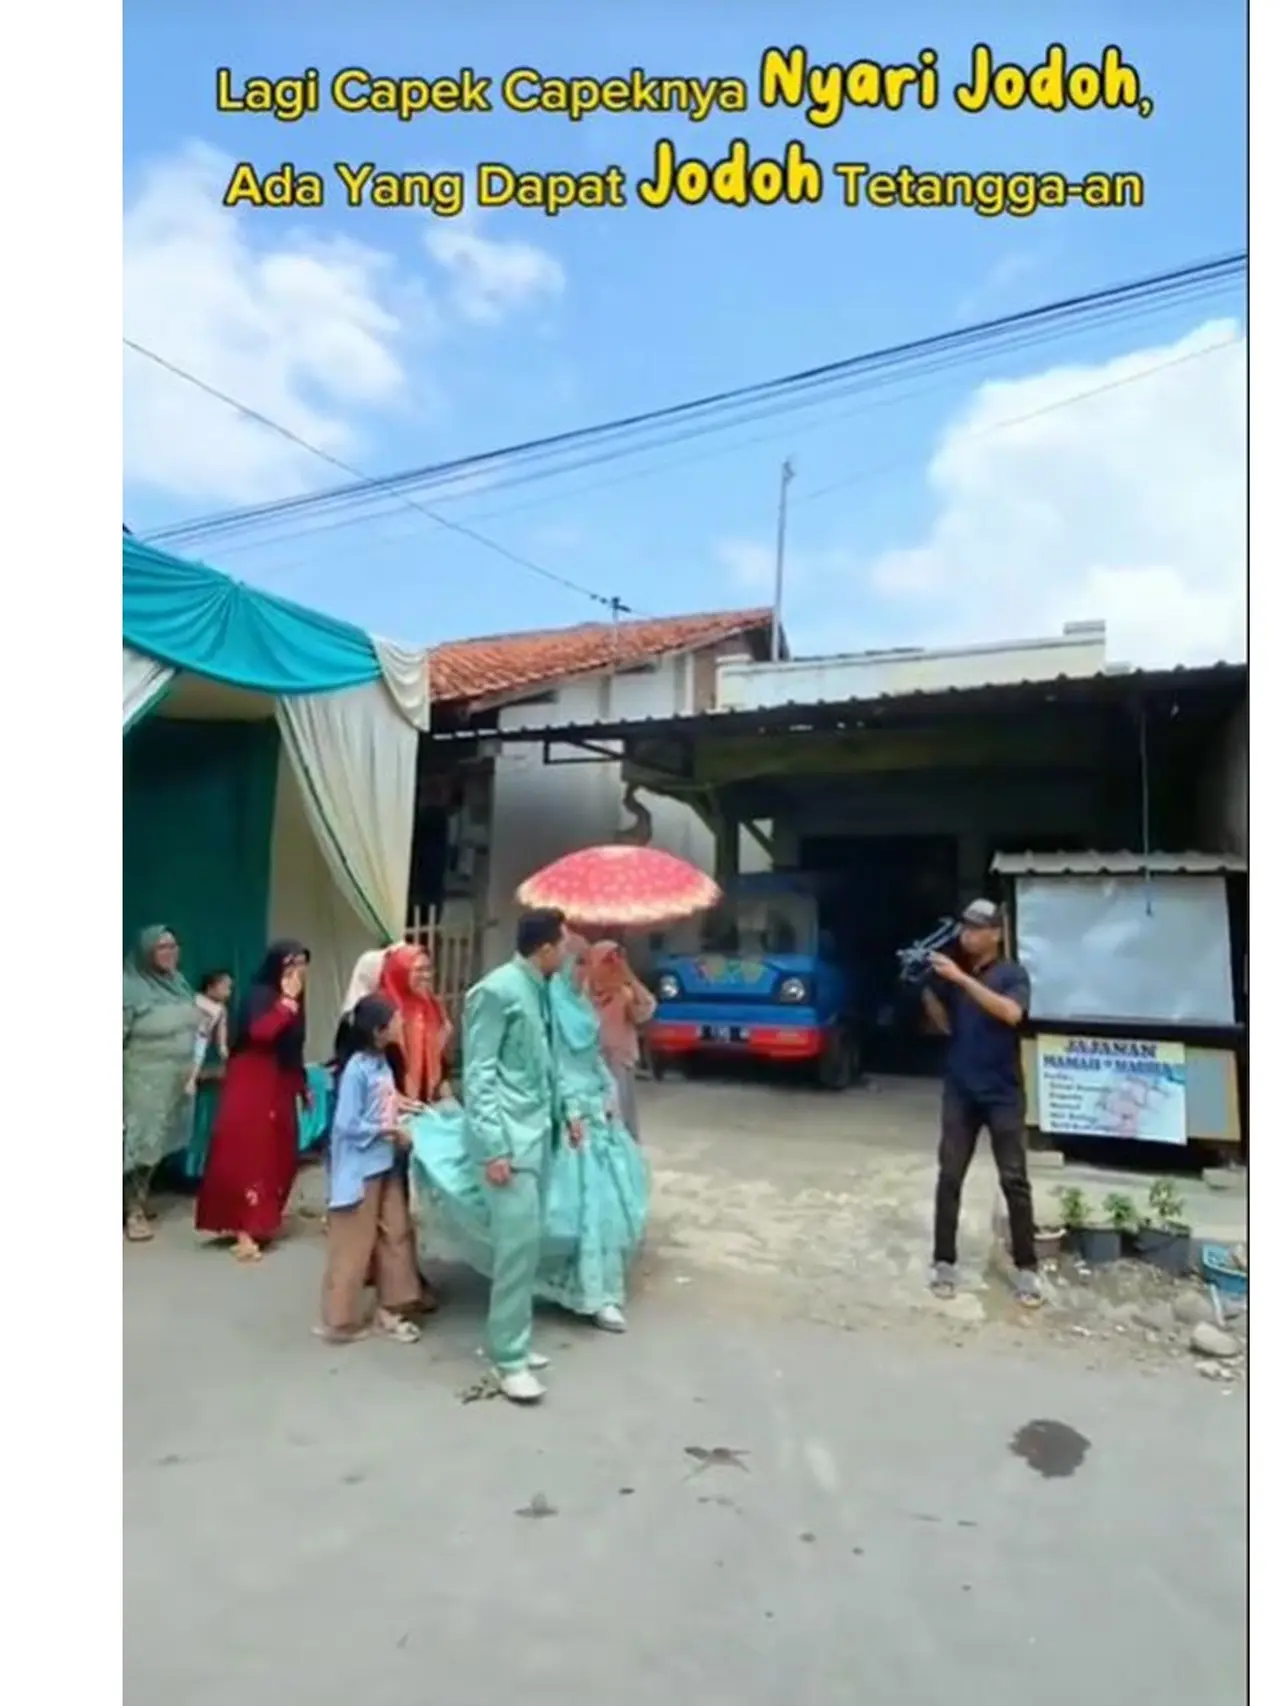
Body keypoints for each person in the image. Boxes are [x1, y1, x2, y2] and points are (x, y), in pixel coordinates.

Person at [458, 908, 576, 1404]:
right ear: (545, 947)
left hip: (537, 1132)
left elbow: (547, 1062)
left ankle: (517, 1339)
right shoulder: (497, 990)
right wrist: (493, 1147)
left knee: (527, 1244)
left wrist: (567, 1110)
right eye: (564, 944)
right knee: (514, 1247)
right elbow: (479, 1072)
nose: (568, 953)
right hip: (509, 1136)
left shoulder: (542, 989)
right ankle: (508, 1357)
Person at [921, 898, 1040, 1308]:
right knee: (949, 1176)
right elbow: (944, 1024)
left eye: (976, 928)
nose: (967, 935)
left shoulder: (1012, 975)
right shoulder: (956, 974)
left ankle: (1027, 1267)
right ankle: (943, 1262)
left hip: (1003, 1093)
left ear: (996, 934)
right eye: (965, 928)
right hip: (961, 1088)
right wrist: (930, 989)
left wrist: (961, 979)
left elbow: (1011, 1014)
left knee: (1014, 1180)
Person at [537, 936, 650, 1332]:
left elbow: (593, 1058)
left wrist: (608, 1092)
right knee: (582, 1204)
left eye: (589, 961)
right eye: (581, 961)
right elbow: (555, 1064)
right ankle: (592, 1292)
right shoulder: (552, 1006)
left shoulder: (581, 1002)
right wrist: (569, 1110)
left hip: (598, 1109)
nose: (586, 969)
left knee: (611, 1198)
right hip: (573, 1115)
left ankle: (603, 1288)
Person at [195, 940, 311, 1263]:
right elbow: (260, 1034)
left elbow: (294, 1046)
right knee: (250, 1152)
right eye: (291, 964)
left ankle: (263, 1221)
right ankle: (244, 1227)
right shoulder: (261, 996)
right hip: (252, 1080)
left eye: (302, 964)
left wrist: (302, 1084)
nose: (298, 972)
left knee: (282, 1148)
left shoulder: (297, 999)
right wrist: (286, 1004)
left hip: (280, 1082)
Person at [317, 994, 423, 1343]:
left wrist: (407, 1107)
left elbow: (384, 1100)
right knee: (354, 1243)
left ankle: (392, 1307)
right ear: (379, 1030)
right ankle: (339, 1320)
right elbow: (347, 1125)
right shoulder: (357, 1069)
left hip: (386, 1161)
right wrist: (388, 1130)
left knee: (396, 1233)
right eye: (394, 1020)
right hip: (360, 1168)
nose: (400, 1024)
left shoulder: (382, 1063)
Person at [123, 925, 201, 1242]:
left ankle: (137, 1200)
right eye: (161, 947)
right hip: (143, 1080)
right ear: (146, 952)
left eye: (173, 945)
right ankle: (133, 1212)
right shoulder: (128, 987)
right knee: (142, 1144)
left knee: (159, 1143)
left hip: (175, 1080)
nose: (170, 952)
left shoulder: (177, 982)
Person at [580, 940, 655, 1140]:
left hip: (618, 1062)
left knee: (620, 1114)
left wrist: (629, 977)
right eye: (607, 961)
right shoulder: (582, 993)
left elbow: (646, 1009)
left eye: (616, 961)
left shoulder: (624, 992)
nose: (612, 968)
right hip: (589, 1062)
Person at [377, 944, 454, 1104]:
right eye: (419, 970)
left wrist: (443, 1086)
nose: (426, 976)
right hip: (391, 1104)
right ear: (401, 972)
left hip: (427, 1101)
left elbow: (440, 1055)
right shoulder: (382, 1008)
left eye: (428, 969)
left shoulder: (432, 1006)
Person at [188, 969, 233, 1095]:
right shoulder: (195, 999)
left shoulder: (221, 1010)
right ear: (210, 987)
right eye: (223, 987)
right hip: (187, 1035)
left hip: (202, 1037)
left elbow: (221, 1035)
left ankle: (191, 1080)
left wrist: (224, 1052)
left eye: (229, 988)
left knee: (198, 1054)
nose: (227, 992)